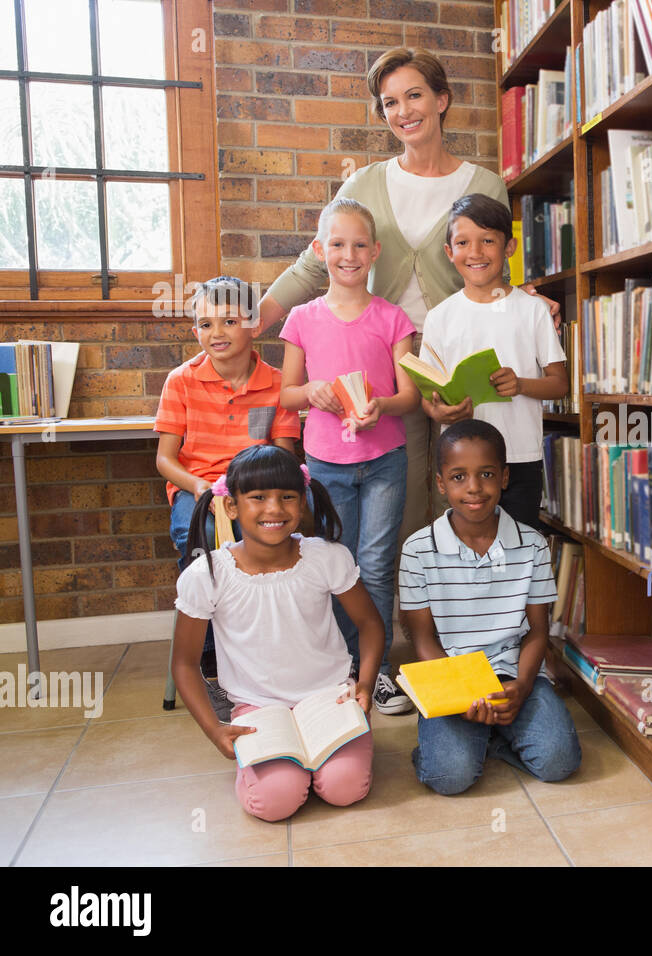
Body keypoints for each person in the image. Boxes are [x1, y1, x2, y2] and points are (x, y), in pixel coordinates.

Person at [258, 47, 559, 547]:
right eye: (390, 102)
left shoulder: (484, 183)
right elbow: (315, 263)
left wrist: (528, 297)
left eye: (414, 96)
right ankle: (406, 611)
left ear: (441, 100)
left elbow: (495, 258)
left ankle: (455, 611)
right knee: (402, 498)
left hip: (459, 353)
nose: (403, 112)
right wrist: (256, 318)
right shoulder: (364, 182)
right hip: (388, 358)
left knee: (460, 486)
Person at [171, 445, 384, 823]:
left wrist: (365, 684)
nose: (274, 509)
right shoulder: (207, 575)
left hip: (329, 698)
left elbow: (369, 624)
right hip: (259, 709)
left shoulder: (325, 556)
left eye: (287, 497)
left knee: (345, 788)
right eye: (258, 498)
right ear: (232, 507)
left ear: (302, 503)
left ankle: (332, 753)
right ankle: (280, 768)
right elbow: (185, 664)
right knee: (274, 802)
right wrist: (214, 730)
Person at [279, 197, 420, 715]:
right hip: (324, 463)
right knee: (336, 563)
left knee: (378, 565)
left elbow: (411, 399)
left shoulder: (392, 318)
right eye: (337, 244)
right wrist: (313, 390)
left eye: (360, 245)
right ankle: (339, 668)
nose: (349, 254)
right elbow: (286, 394)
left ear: (376, 252)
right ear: (320, 250)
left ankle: (375, 671)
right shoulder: (302, 318)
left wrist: (380, 404)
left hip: (385, 460)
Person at [399, 420, 581, 795]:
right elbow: (422, 638)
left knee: (560, 762)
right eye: (458, 476)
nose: (474, 488)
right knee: (450, 777)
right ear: (440, 483)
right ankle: (478, 738)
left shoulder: (531, 545)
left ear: (504, 478)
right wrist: (460, 697)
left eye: (485, 474)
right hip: (452, 679)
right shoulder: (418, 549)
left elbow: (538, 631)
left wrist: (524, 685)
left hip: (516, 674)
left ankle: (493, 735)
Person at [154, 276, 300, 721]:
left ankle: (269, 653)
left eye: (229, 320)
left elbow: (284, 455)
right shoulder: (181, 381)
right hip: (198, 488)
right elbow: (165, 459)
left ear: (254, 323)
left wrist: (247, 491)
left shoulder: (277, 384)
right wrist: (199, 486)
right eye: (204, 323)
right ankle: (213, 664)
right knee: (195, 537)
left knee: (263, 534)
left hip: (255, 488)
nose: (215, 332)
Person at [420, 193, 568, 530]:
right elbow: (429, 397)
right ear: (449, 252)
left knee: (520, 551)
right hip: (461, 460)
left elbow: (559, 384)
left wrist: (520, 384)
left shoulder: (533, 311)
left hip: (518, 457)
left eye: (488, 240)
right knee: (467, 552)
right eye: (463, 242)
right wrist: (439, 412)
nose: (475, 252)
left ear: (509, 247)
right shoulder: (440, 317)